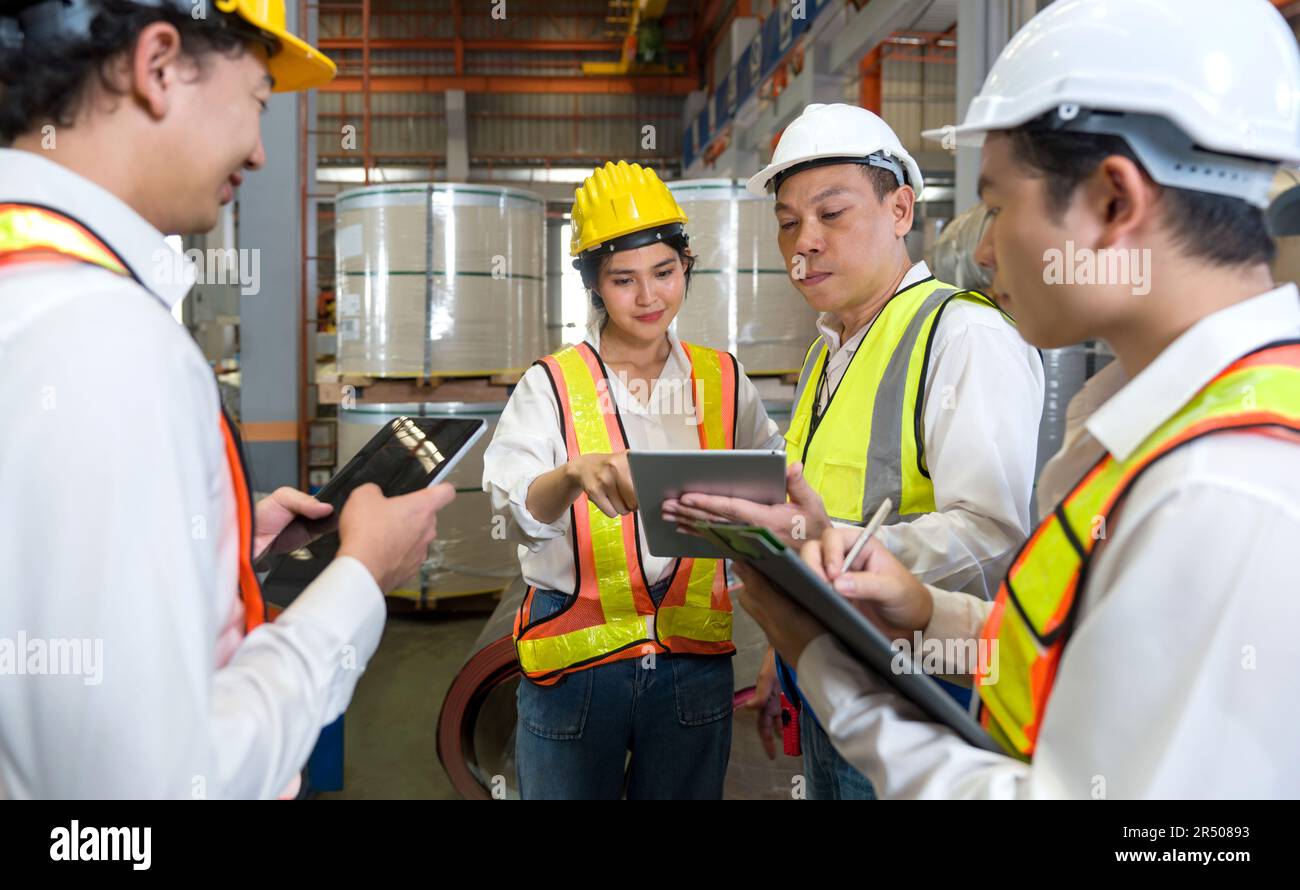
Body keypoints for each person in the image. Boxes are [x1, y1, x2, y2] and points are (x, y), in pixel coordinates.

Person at [736, 0, 1300, 798]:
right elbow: (1063, 653)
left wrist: (830, 667)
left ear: (1113, 202)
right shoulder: (1166, 432)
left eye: (997, 207)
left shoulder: (1227, 486)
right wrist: (929, 615)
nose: (986, 247)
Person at [0, 0, 453, 799]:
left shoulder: (33, 290)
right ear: (160, 66)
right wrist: (358, 576)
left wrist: (213, 554)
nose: (260, 152)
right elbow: (145, 796)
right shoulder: (103, 337)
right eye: (257, 103)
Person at [662, 103, 1044, 798]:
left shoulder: (962, 337)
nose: (803, 242)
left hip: (927, 681)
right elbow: (809, 500)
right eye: (786, 223)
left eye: (831, 215)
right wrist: (788, 647)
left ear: (900, 209)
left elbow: (991, 535)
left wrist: (831, 552)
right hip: (833, 662)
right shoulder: (826, 351)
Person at [481, 160, 785, 799]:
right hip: (575, 676)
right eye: (624, 279)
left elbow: (775, 499)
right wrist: (568, 475)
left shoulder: (723, 381)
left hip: (692, 670)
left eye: (665, 273)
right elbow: (514, 506)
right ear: (593, 284)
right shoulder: (553, 385)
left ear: (686, 268)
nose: (649, 298)